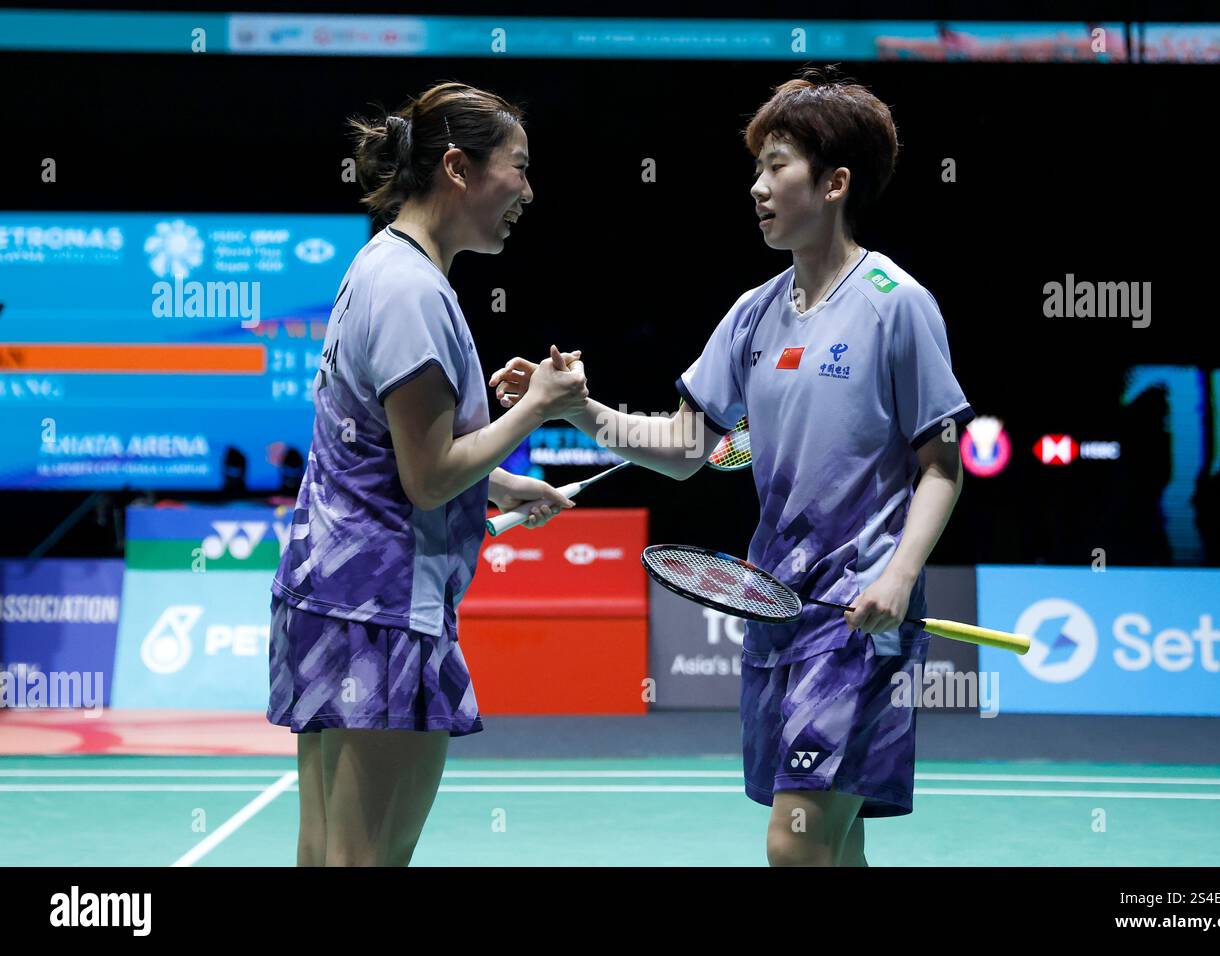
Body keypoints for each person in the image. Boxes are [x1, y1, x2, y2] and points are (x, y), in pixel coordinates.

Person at [490, 68, 972, 866]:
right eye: (757, 169)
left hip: (857, 617)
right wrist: (579, 411)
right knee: (832, 846)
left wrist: (898, 575)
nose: (757, 187)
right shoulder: (753, 312)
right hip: (775, 608)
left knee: (796, 842)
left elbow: (943, 465)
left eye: (776, 165)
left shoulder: (896, 302)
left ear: (835, 182)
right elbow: (687, 449)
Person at [268, 81, 587, 866]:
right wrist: (538, 408)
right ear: (456, 167)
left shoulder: (379, 265)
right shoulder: (414, 291)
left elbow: (374, 449)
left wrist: (506, 484)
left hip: (332, 595)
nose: (528, 191)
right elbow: (427, 478)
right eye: (517, 167)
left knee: (327, 854)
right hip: (381, 609)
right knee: (366, 858)